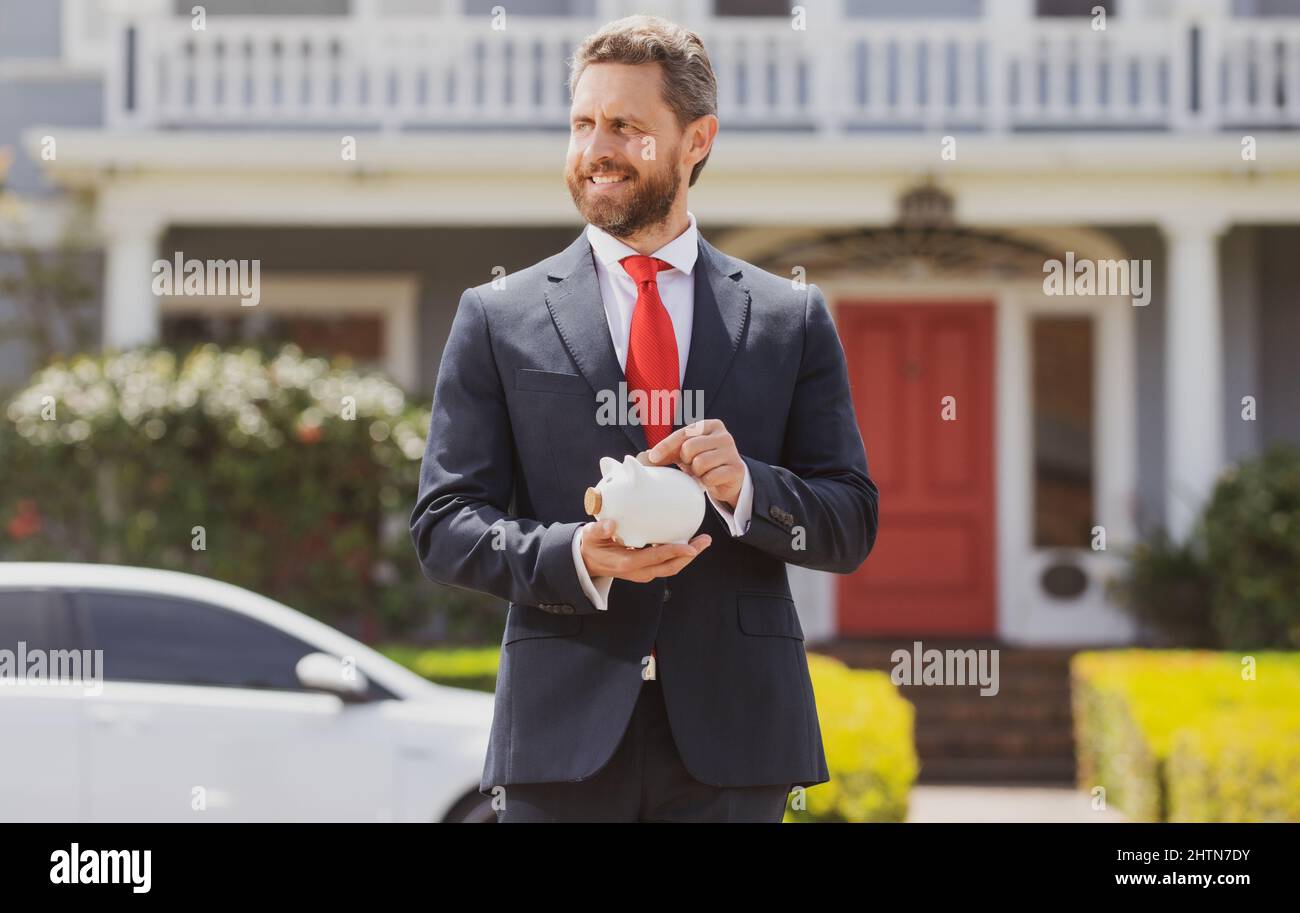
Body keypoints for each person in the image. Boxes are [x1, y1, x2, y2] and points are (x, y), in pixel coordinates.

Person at [410, 14, 878, 823]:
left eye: (626, 126)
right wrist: (574, 554)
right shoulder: (497, 316)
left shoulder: (787, 318)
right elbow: (445, 524)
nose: (598, 147)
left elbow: (851, 521)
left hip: (737, 742)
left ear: (696, 140)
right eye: (584, 123)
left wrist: (748, 489)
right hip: (560, 735)